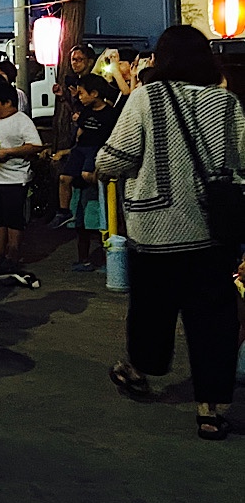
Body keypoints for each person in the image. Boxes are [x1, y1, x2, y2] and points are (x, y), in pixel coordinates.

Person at [97, 25, 245, 440]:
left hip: (155, 232)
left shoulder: (147, 97)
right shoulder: (227, 102)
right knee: (213, 321)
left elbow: (113, 159)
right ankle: (210, 410)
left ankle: (140, 370)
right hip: (214, 233)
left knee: (152, 311)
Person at [52, 74, 120, 269]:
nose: (79, 97)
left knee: (98, 219)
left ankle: (106, 260)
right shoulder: (85, 112)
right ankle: (63, 213)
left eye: (82, 93)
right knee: (65, 179)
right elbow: (80, 133)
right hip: (81, 155)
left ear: (94, 93)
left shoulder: (110, 114)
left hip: (97, 158)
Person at [0, 76, 44, 273]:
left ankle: (12, 254)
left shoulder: (21, 120)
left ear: (8, 102)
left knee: (13, 218)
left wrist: (8, 152)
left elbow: (35, 146)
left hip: (15, 179)